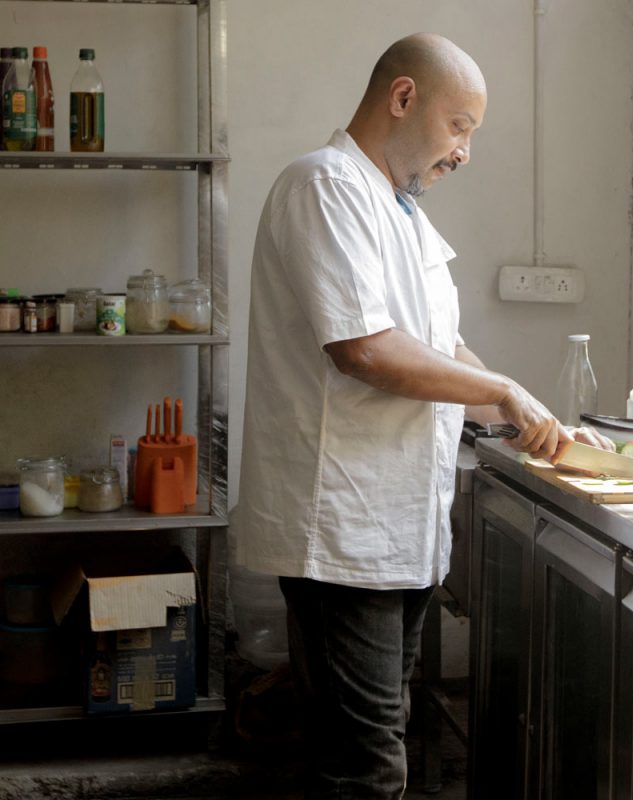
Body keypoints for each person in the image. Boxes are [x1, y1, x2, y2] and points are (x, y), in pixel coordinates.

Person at [231, 32, 609, 798]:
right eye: (460, 125)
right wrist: (503, 391)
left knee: (373, 739)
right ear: (403, 98)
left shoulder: (399, 211)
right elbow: (364, 350)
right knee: (367, 768)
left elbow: (443, 348)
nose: (465, 152)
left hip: (397, 529)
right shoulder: (326, 186)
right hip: (343, 532)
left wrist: (534, 416)